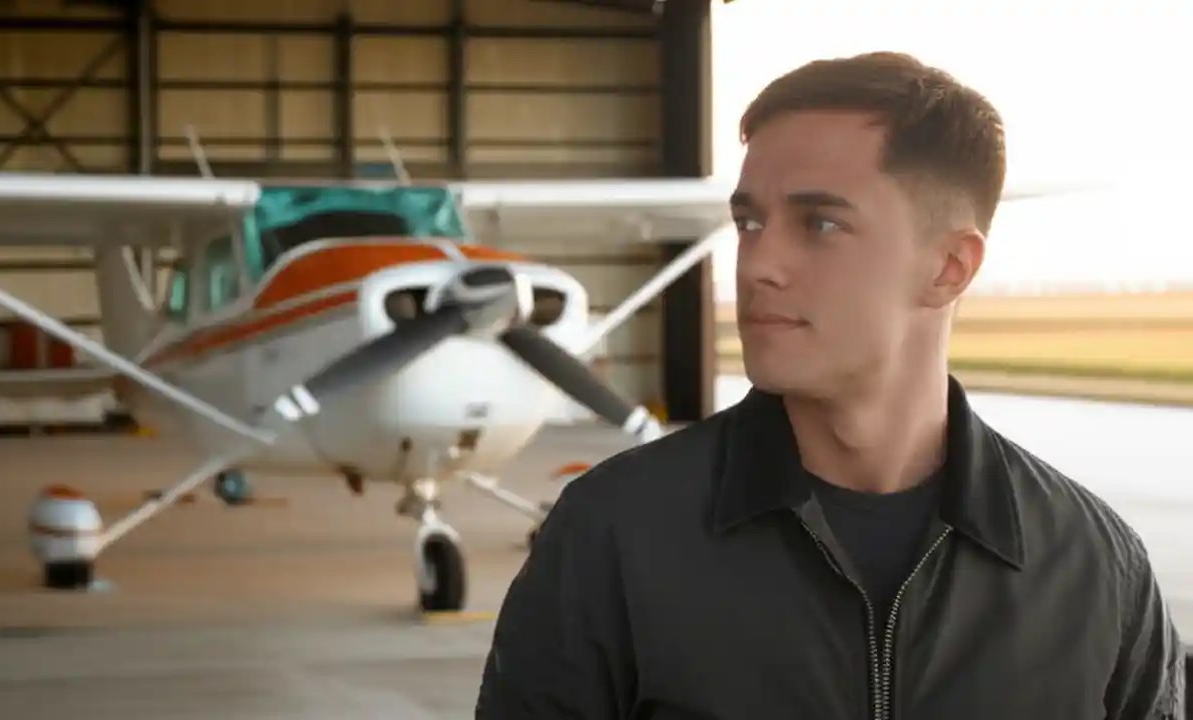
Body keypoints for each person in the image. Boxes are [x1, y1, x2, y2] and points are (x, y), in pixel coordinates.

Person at [475, 51, 1185, 719]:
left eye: (819, 223)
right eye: (749, 222)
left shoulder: (1095, 567)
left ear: (949, 268)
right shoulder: (613, 535)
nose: (757, 264)